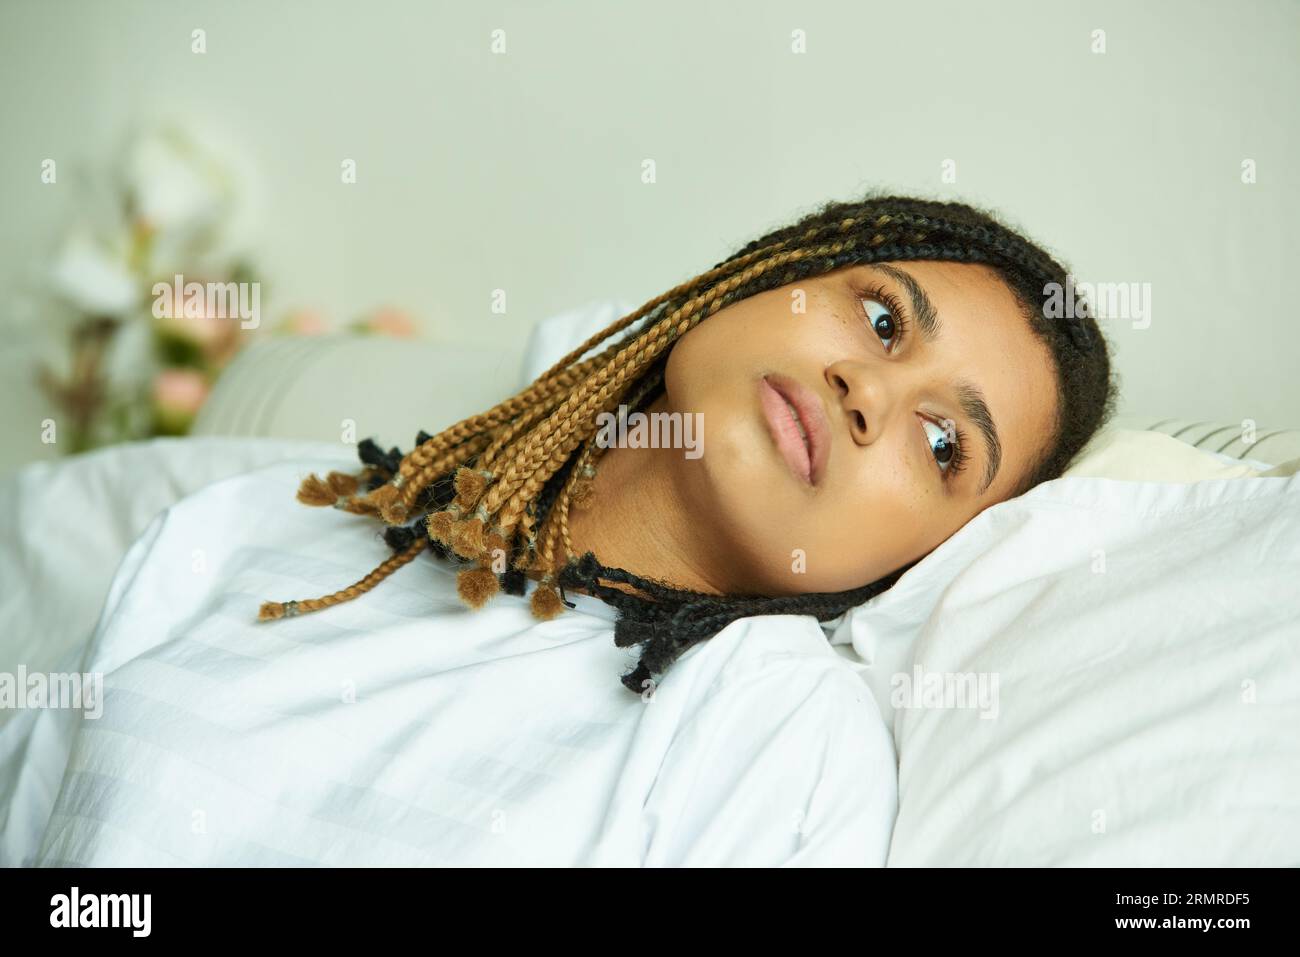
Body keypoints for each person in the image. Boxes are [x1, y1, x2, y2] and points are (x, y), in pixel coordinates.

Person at [15, 193, 1117, 867]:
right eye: (879, 318)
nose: (868, 391)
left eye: (942, 448)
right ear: (752, 281)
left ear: (919, 559)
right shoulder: (263, 527)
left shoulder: (779, 741)